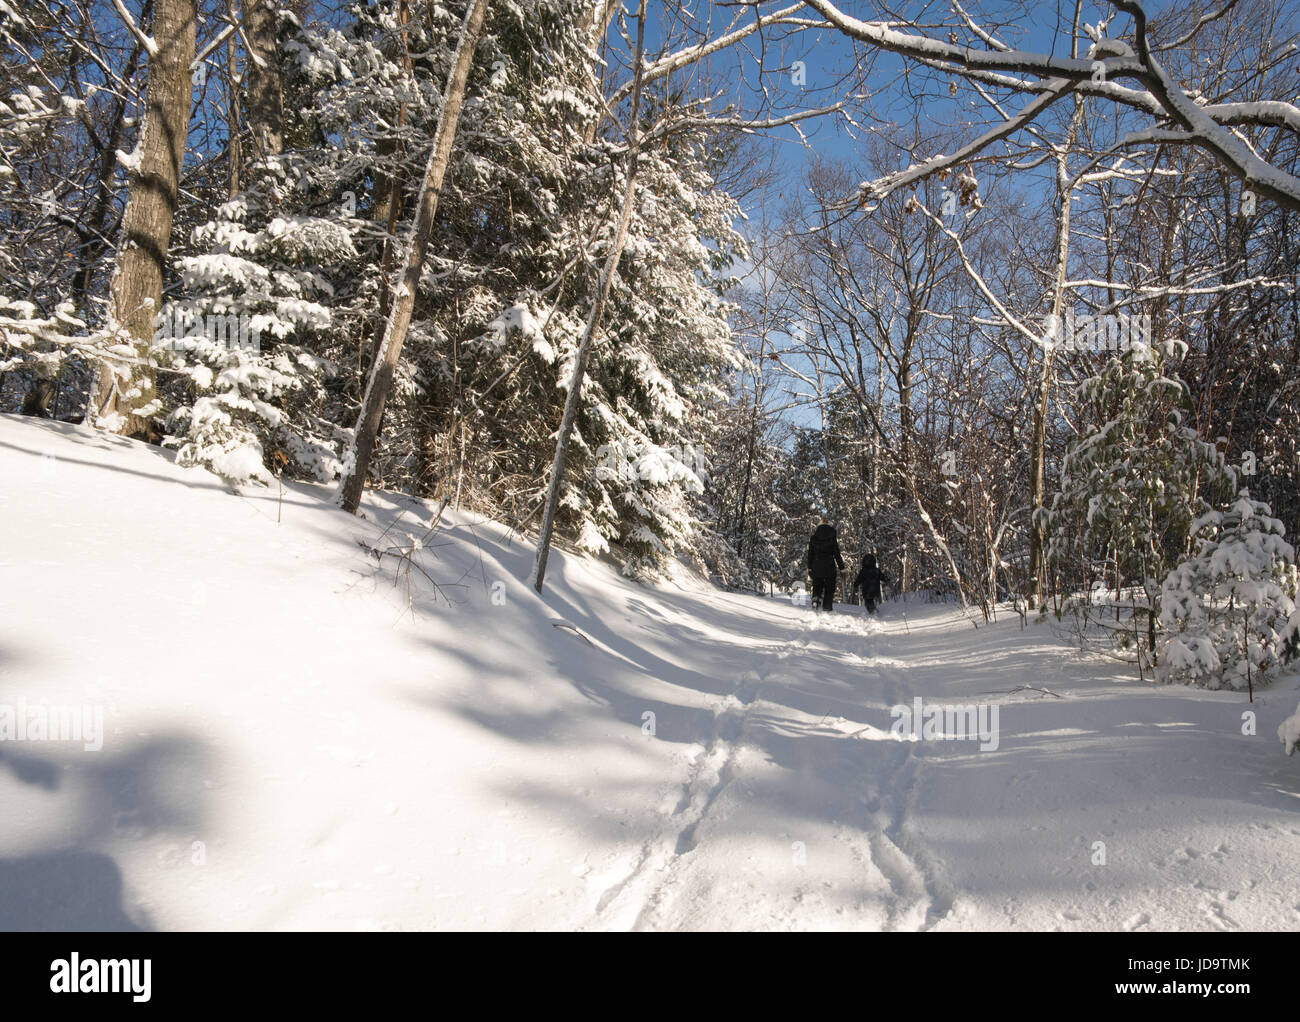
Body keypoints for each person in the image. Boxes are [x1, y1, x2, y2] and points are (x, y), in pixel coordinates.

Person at [807, 519, 846, 611]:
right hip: (829, 565)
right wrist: (842, 569)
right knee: (830, 586)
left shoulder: (814, 537)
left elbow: (810, 554)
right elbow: (837, 553)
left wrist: (809, 568)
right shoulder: (832, 537)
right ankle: (827, 606)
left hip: (816, 564)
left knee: (817, 584)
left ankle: (816, 599)